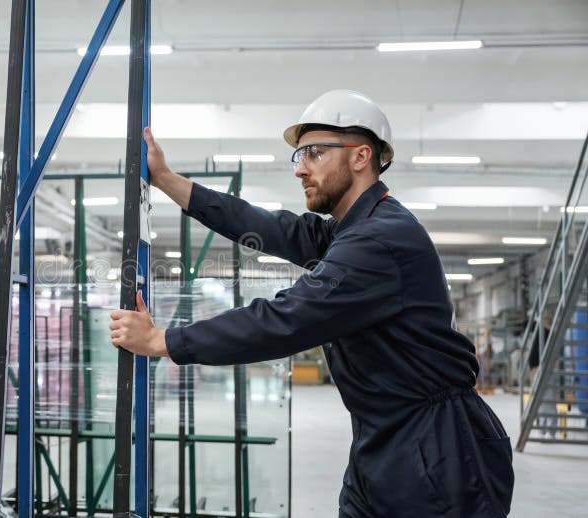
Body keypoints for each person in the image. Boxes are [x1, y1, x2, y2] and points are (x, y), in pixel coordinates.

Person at [109, 90, 514, 517]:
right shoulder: (356, 229)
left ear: (360, 157)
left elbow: (287, 319)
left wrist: (164, 340)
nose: (300, 168)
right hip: (387, 440)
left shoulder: (378, 240)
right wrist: (169, 181)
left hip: (440, 451)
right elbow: (268, 226)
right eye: (298, 157)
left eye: (314, 153)